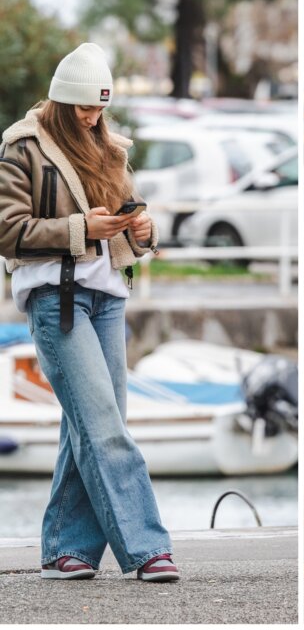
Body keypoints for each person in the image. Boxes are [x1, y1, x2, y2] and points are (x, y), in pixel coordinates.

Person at [0, 43, 179, 582]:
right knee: (102, 425)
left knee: (92, 424)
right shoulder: (21, 147)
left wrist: (142, 231)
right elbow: (8, 231)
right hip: (58, 299)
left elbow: (134, 212)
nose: (93, 117)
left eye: (100, 107)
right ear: (60, 100)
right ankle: (148, 549)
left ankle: (64, 552)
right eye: (84, 107)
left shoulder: (111, 148)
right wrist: (81, 230)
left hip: (107, 300)